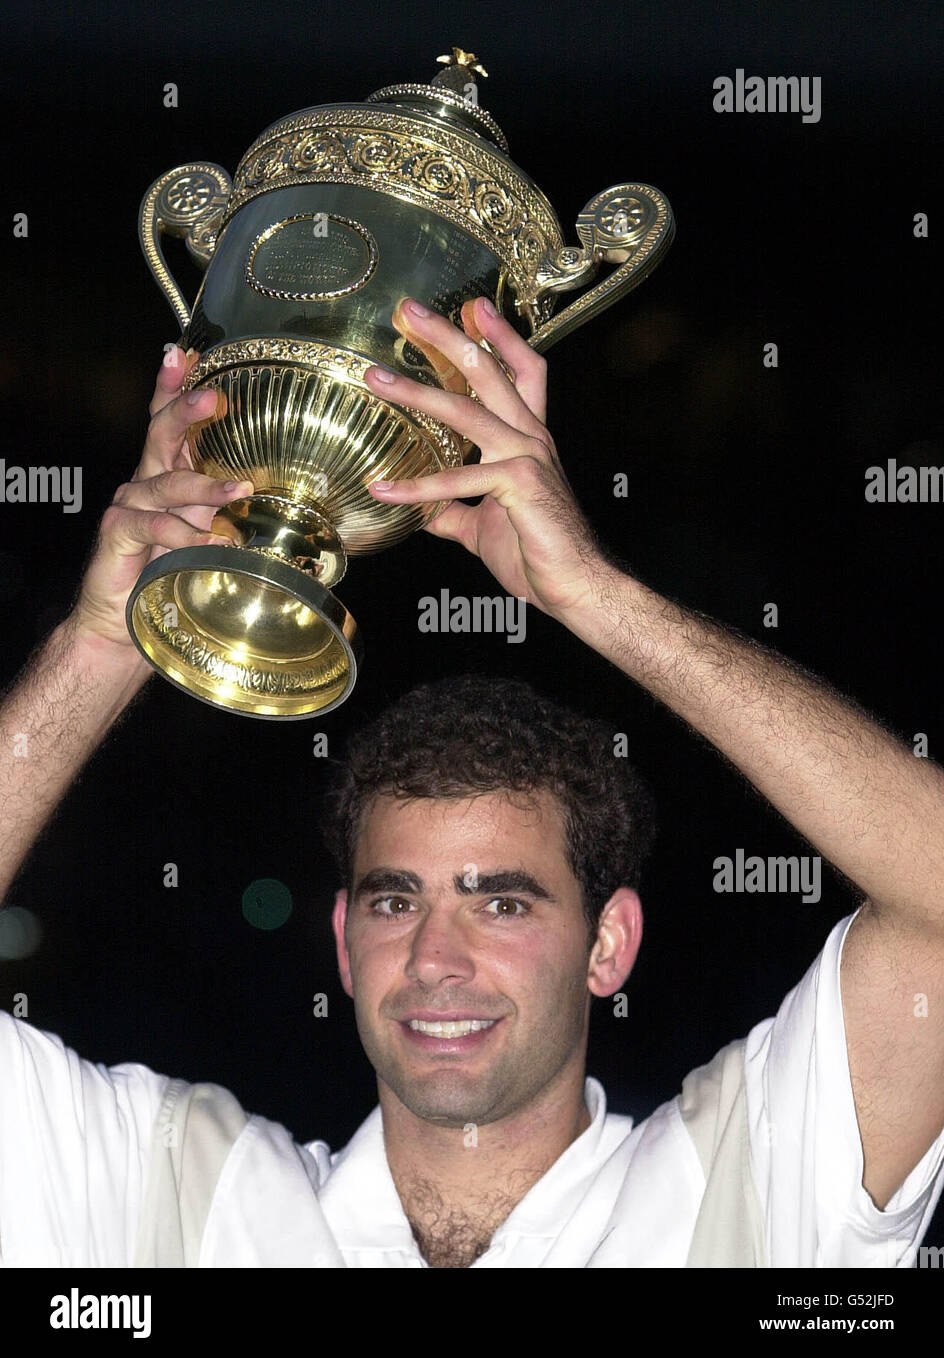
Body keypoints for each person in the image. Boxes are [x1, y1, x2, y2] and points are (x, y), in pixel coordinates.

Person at [1, 297, 942, 1269]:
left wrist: (595, 594)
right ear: (341, 941)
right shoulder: (169, 1191)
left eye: (499, 900)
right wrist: (105, 642)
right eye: (394, 899)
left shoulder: (743, 1182)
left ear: (607, 942)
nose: (433, 958)